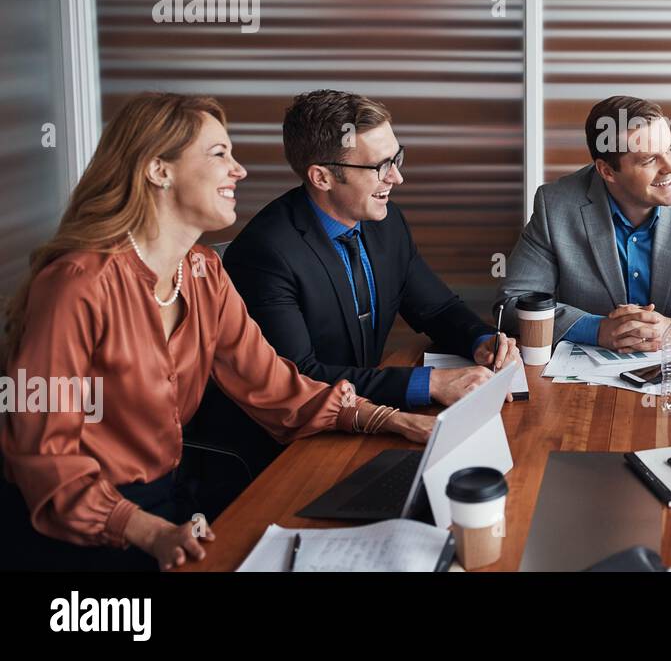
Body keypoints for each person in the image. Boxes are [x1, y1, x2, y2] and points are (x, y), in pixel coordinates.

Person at [0, 93, 433, 571]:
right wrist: (149, 531)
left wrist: (388, 419)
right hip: (67, 531)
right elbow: (42, 457)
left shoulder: (204, 272)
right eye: (219, 154)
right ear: (158, 170)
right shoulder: (75, 284)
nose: (239, 170)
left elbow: (276, 388)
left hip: (161, 510)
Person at [222, 90, 517, 413]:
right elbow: (301, 376)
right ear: (321, 177)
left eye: (396, 158)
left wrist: (482, 342)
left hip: (364, 414)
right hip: (289, 441)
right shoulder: (266, 254)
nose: (397, 177)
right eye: (380, 166)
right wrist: (431, 383)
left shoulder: (386, 224)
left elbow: (437, 309)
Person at [498, 95, 671, 350]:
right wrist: (597, 329)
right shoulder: (556, 206)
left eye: (670, 149)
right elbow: (511, 306)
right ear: (607, 171)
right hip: (587, 390)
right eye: (649, 160)